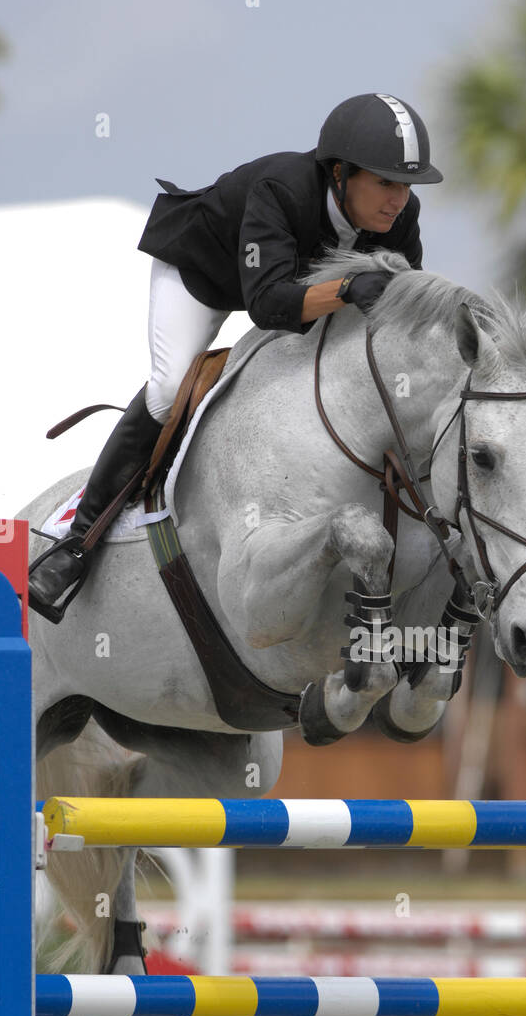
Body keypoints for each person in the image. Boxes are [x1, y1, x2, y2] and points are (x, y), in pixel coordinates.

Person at [28, 93, 443, 622]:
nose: (398, 200)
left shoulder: (401, 217)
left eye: (406, 185)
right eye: (386, 182)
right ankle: (75, 545)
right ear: (339, 173)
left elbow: (394, 313)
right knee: (167, 388)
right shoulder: (282, 190)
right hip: (203, 275)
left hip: (292, 292)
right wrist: (349, 286)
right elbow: (268, 305)